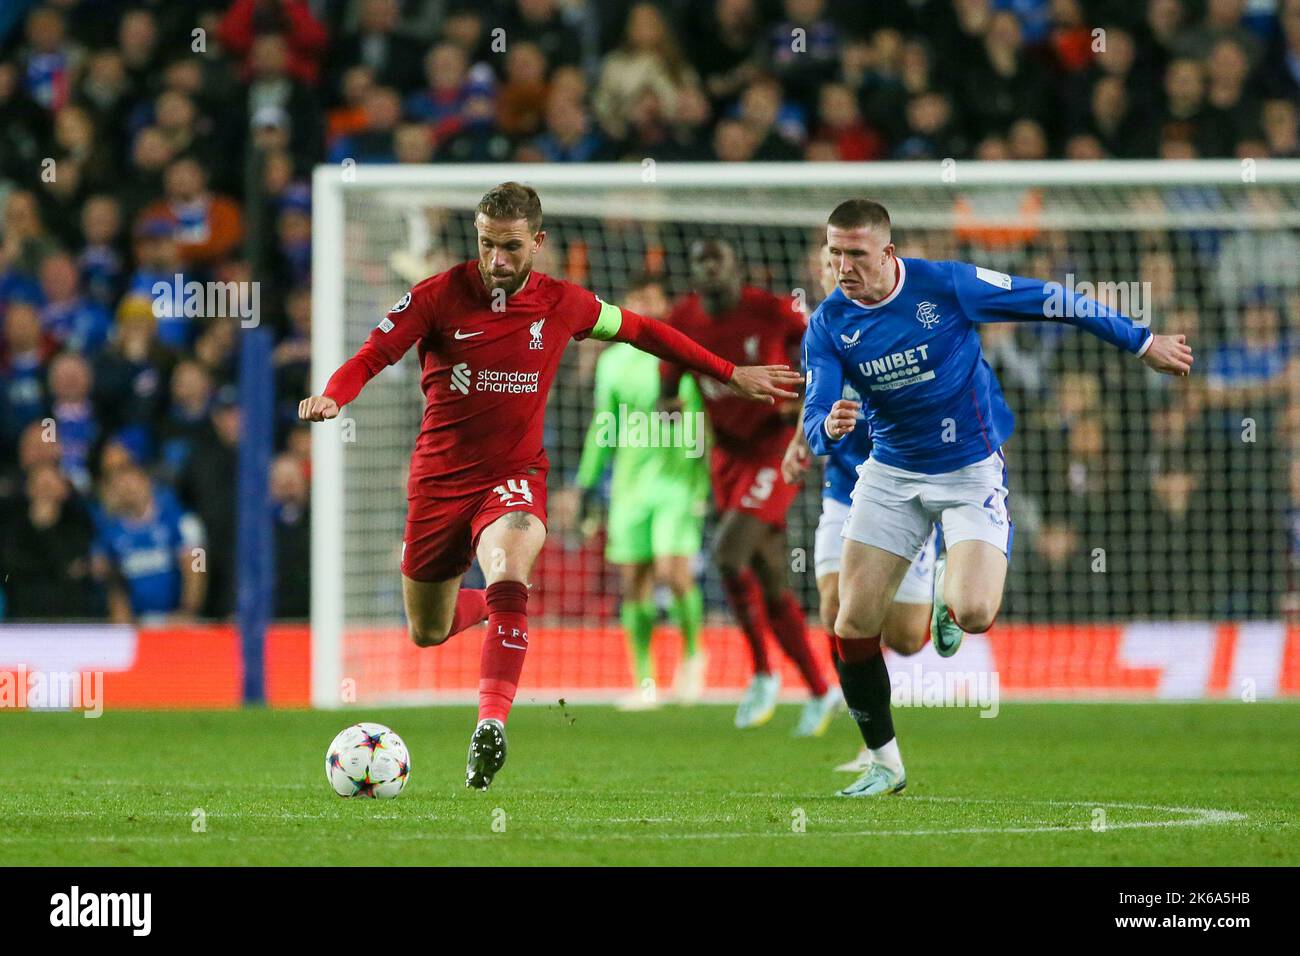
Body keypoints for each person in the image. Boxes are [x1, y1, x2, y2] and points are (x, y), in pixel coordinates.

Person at [299, 182, 800, 790]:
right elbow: (372, 355)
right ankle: (494, 611)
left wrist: (729, 372)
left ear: (537, 242)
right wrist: (333, 395)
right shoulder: (436, 296)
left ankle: (491, 723)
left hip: (514, 477)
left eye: (510, 247)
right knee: (426, 630)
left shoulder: (566, 303)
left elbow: (646, 330)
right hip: (438, 483)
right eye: (487, 246)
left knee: (510, 565)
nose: (497, 261)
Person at [803, 198, 1193, 797]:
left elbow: (1054, 299)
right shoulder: (829, 323)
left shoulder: (948, 285)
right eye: (835, 254)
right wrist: (827, 427)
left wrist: (1142, 344)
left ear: (888, 252)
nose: (843, 266)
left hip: (968, 471)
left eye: (856, 254)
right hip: (890, 473)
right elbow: (815, 411)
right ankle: (886, 762)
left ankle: (948, 593)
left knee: (977, 613)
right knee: (851, 622)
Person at [662, 238, 839, 736]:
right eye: (702, 258)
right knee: (770, 580)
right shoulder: (684, 319)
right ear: (694, 272)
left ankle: (762, 672)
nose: (711, 265)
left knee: (726, 556)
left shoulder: (772, 311)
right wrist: (666, 403)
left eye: (719, 256)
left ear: (736, 266)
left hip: (774, 450)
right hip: (727, 459)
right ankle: (821, 690)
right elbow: (668, 378)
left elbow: (821, 358)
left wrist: (803, 394)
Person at [781, 240, 934, 776]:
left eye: (839, 264)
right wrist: (803, 439)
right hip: (843, 492)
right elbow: (818, 396)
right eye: (825, 264)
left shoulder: (895, 326)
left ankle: (944, 593)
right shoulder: (822, 332)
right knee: (835, 611)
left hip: (901, 494)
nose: (833, 273)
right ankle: (871, 735)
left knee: (907, 640)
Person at [572, 273, 710, 709]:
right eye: (637, 300)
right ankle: (646, 683)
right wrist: (586, 482)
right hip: (630, 487)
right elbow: (603, 427)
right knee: (634, 582)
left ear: (666, 305)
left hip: (676, 483)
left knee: (673, 571)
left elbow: (703, 422)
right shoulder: (613, 363)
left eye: (653, 299)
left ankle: (693, 656)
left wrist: (705, 482)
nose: (645, 307)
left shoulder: (680, 357)